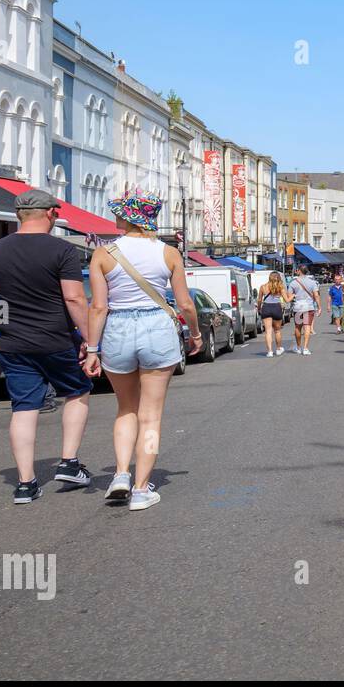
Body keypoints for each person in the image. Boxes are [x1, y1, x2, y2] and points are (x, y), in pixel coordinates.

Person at [84, 189, 203, 510]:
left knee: (125, 410)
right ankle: (140, 489)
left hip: (117, 331)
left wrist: (92, 350)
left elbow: (97, 307)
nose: (115, 216)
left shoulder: (103, 253)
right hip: (157, 330)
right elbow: (185, 303)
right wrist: (195, 334)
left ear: (128, 217)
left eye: (119, 212)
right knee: (150, 417)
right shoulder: (169, 253)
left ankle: (121, 474)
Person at [0, 190, 94, 504]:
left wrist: (5, 327)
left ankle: (25, 484)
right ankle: (69, 463)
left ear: (19, 215)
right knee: (77, 391)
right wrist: (89, 339)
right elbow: (73, 298)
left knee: (23, 408)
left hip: (13, 342)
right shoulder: (62, 250)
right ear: (50, 214)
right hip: (55, 339)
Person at [288, 265, 322, 355]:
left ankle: (299, 347)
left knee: (298, 327)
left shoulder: (293, 283)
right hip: (308, 307)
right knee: (307, 327)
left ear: (299, 271)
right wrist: (319, 307)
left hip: (298, 307)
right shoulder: (312, 282)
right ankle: (306, 348)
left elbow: (289, 296)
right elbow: (316, 295)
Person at [257, 272, 291, 358]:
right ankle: (279, 349)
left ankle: (270, 352)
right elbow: (287, 300)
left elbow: (259, 300)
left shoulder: (263, 287)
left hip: (266, 308)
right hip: (276, 308)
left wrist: (258, 308)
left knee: (268, 331)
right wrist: (292, 296)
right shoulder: (280, 288)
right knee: (277, 331)